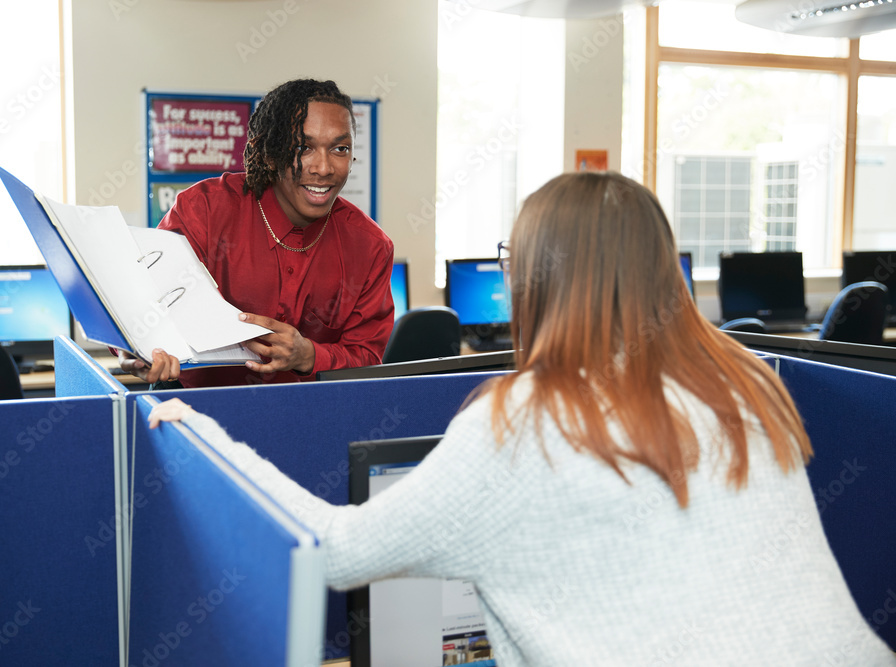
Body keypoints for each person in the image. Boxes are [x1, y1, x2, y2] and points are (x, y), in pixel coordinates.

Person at [148, 172, 896, 665]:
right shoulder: (745, 386)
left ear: (534, 278)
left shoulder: (527, 425)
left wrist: (193, 432)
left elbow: (330, 550)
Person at [120, 79, 394, 388]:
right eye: (303, 148)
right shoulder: (206, 209)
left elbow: (367, 356)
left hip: (311, 418)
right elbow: (139, 303)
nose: (324, 167)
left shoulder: (370, 247)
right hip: (195, 413)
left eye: (340, 149)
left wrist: (310, 356)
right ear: (268, 154)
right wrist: (136, 350)